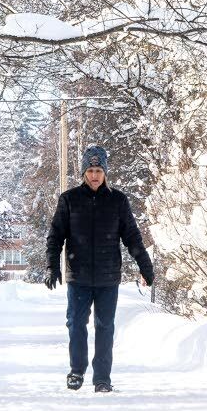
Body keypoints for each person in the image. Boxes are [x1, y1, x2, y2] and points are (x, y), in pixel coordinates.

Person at [45, 144, 155, 393]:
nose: (94, 175)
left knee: (105, 326)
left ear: (105, 172)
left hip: (107, 278)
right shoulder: (69, 200)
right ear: (84, 172)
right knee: (75, 323)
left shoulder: (117, 201)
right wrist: (52, 266)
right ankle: (77, 370)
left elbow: (132, 237)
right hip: (79, 276)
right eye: (90, 170)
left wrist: (145, 266)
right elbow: (55, 237)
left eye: (99, 170)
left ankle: (102, 378)